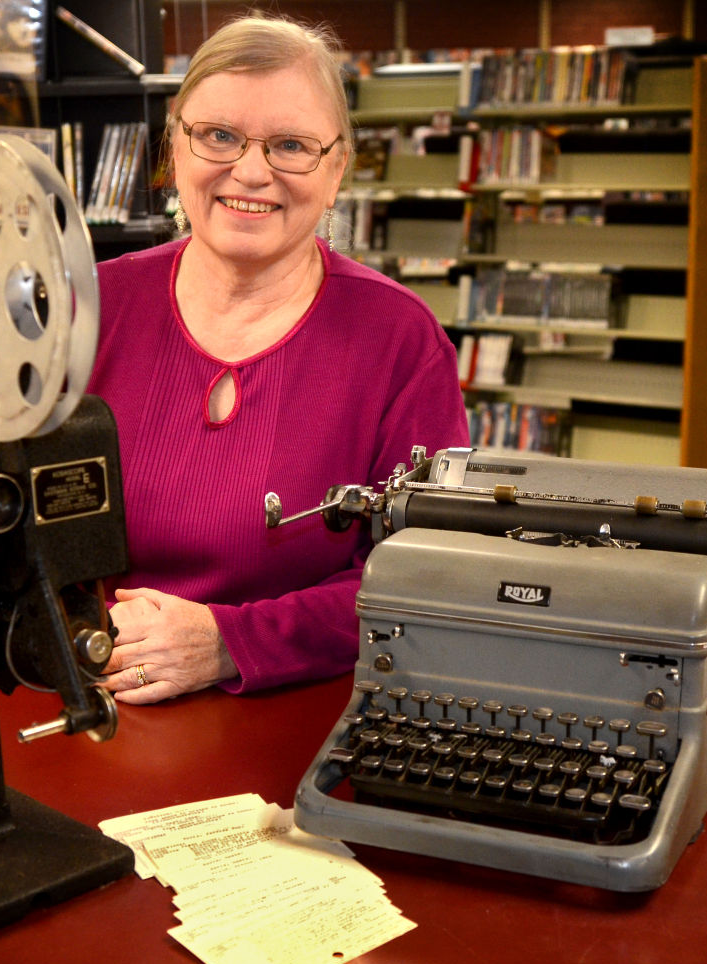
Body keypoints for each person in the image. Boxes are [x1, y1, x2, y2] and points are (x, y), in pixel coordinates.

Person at [88, 14, 470, 705]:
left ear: (337, 171)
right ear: (175, 147)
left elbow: (429, 577)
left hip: (301, 720)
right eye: (219, 136)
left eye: (290, 145)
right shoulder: (91, 309)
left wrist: (230, 642)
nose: (251, 171)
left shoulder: (400, 340)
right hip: (92, 702)